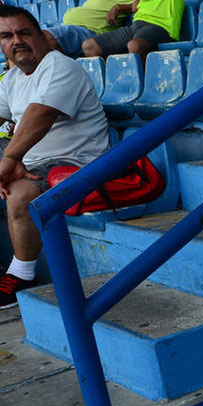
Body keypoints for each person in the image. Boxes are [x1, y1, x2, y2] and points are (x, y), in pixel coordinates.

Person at [0, 5, 109, 308]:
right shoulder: (12, 78)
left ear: (41, 35)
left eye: (24, 32)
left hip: (73, 164)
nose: (16, 41)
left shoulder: (60, 66)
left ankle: (22, 274)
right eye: (7, 36)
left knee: (19, 192)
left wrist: (9, 159)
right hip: (32, 161)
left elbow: (41, 114)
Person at [81, 0, 184, 61]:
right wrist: (119, 7)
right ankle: (117, 82)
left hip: (162, 26)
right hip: (136, 26)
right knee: (89, 46)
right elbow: (135, 7)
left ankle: (146, 84)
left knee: (135, 45)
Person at [43, 0, 130, 58]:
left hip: (89, 30)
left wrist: (119, 7)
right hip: (71, 27)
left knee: (44, 38)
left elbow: (137, 5)